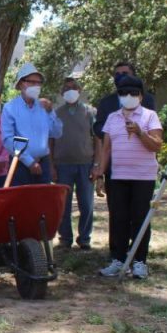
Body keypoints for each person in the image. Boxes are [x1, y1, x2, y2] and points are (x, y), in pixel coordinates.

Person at [91, 74, 163, 279]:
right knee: (118, 218)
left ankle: (140, 261)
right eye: (124, 93)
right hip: (118, 175)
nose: (128, 96)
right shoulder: (112, 118)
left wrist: (141, 133)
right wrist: (100, 175)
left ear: (140, 96)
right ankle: (118, 259)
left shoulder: (150, 116)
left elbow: (157, 144)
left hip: (143, 176)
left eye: (133, 93)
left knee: (140, 218)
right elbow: (106, 150)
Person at [0, 62, 62, 186]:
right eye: (32, 82)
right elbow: (8, 140)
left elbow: (57, 133)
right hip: (20, 164)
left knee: (42, 202)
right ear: (21, 84)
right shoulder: (10, 108)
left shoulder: (44, 107)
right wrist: (29, 161)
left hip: (43, 163)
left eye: (39, 83)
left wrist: (51, 112)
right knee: (22, 202)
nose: (36, 86)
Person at [52, 77, 95, 250]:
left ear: (79, 90)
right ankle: (65, 238)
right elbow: (51, 141)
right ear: (62, 93)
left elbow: (98, 138)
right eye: (67, 88)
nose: (70, 90)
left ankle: (84, 238)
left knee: (86, 203)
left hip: (86, 164)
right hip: (62, 165)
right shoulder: (56, 113)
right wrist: (51, 165)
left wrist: (97, 164)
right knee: (63, 205)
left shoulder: (90, 112)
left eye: (74, 87)